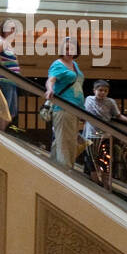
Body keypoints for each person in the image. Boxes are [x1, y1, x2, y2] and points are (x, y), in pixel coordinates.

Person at [83, 80, 127, 187]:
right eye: (100, 90)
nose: (102, 93)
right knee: (92, 161)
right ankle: (95, 185)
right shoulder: (89, 99)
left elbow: (118, 115)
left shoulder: (110, 102)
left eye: (105, 91)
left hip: (106, 135)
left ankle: (106, 186)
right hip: (91, 135)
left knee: (105, 162)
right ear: (94, 90)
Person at [45, 38, 85, 169]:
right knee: (66, 144)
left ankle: (54, 171)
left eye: (72, 48)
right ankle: (66, 174)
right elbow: (51, 80)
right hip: (63, 109)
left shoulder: (75, 64)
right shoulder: (58, 64)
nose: (69, 51)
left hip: (74, 110)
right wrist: (50, 89)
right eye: (66, 48)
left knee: (64, 142)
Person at [0, 18, 22, 131]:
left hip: (9, 81)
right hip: (2, 79)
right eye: (10, 28)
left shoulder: (7, 43)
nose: (12, 30)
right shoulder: (1, 41)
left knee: (11, 112)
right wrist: (4, 69)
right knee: (3, 111)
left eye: (13, 28)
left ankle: (0, 133)